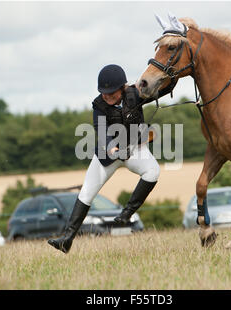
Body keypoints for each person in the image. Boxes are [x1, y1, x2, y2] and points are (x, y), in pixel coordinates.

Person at [48, 64, 172, 254]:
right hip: (109, 153)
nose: (106, 97)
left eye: (111, 93)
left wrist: (174, 78)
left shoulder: (135, 93)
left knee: (153, 171)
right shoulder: (98, 105)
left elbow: (165, 89)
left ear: (122, 88)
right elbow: (101, 130)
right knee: (87, 192)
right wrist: (111, 147)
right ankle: (67, 239)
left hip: (134, 148)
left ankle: (126, 214)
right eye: (103, 93)